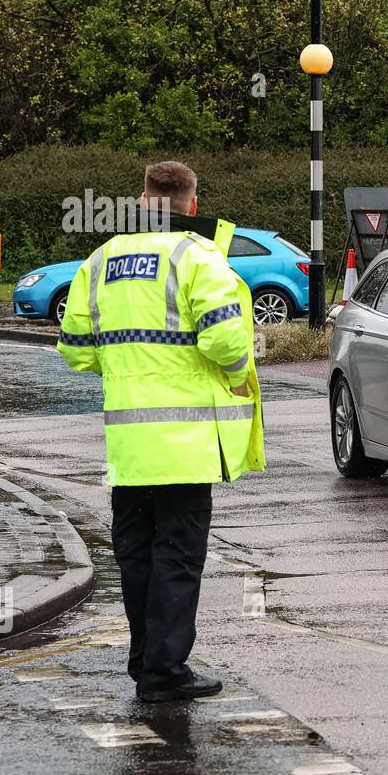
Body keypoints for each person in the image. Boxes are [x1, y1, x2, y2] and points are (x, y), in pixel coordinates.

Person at [57, 161, 265, 702]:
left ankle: (145, 661)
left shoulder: (100, 260)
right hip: (187, 445)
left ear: (142, 201)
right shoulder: (198, 258)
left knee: (136, 555)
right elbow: (225, 345)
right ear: (192, 204)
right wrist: (239, 365)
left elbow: (75, 351)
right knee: (176, 556)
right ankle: (164, 672)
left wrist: (127, 368)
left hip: (128, 447)